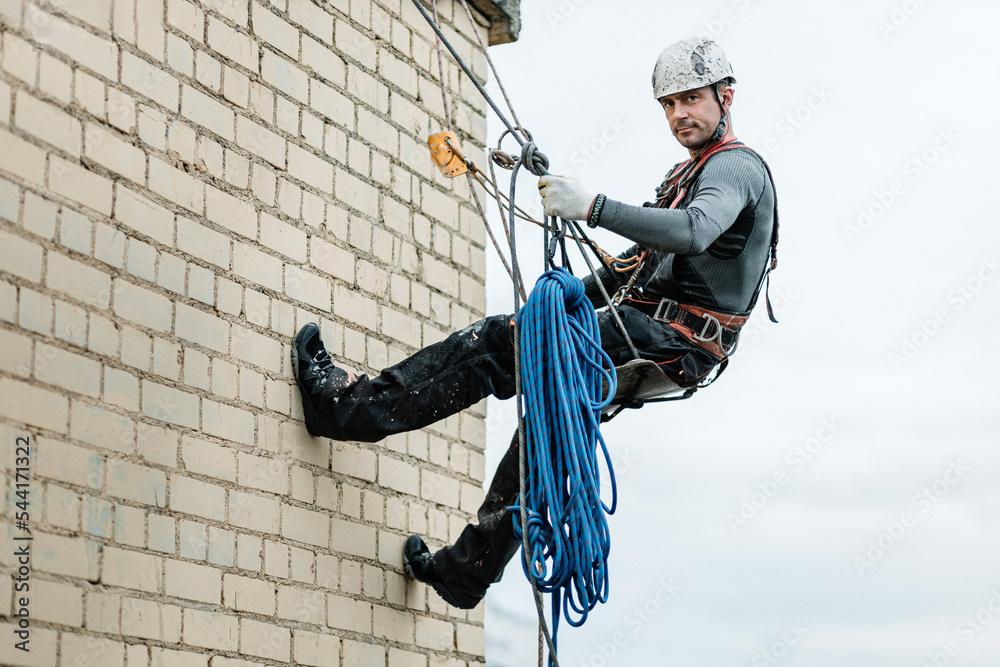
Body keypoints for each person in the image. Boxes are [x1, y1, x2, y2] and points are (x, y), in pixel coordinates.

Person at [291, 37, 778, 609]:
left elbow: (694, 231)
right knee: (546, 434)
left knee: (498, 344)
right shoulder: (687, 172)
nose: (678, 115)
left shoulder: (736, 168)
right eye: (668, 104)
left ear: (725, 97)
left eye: (691, 99)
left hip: (669, 340)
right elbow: (639, 263)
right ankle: (467, 571)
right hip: (659, 341)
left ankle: (346, 409)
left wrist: (592, 207)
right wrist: (573, 294)